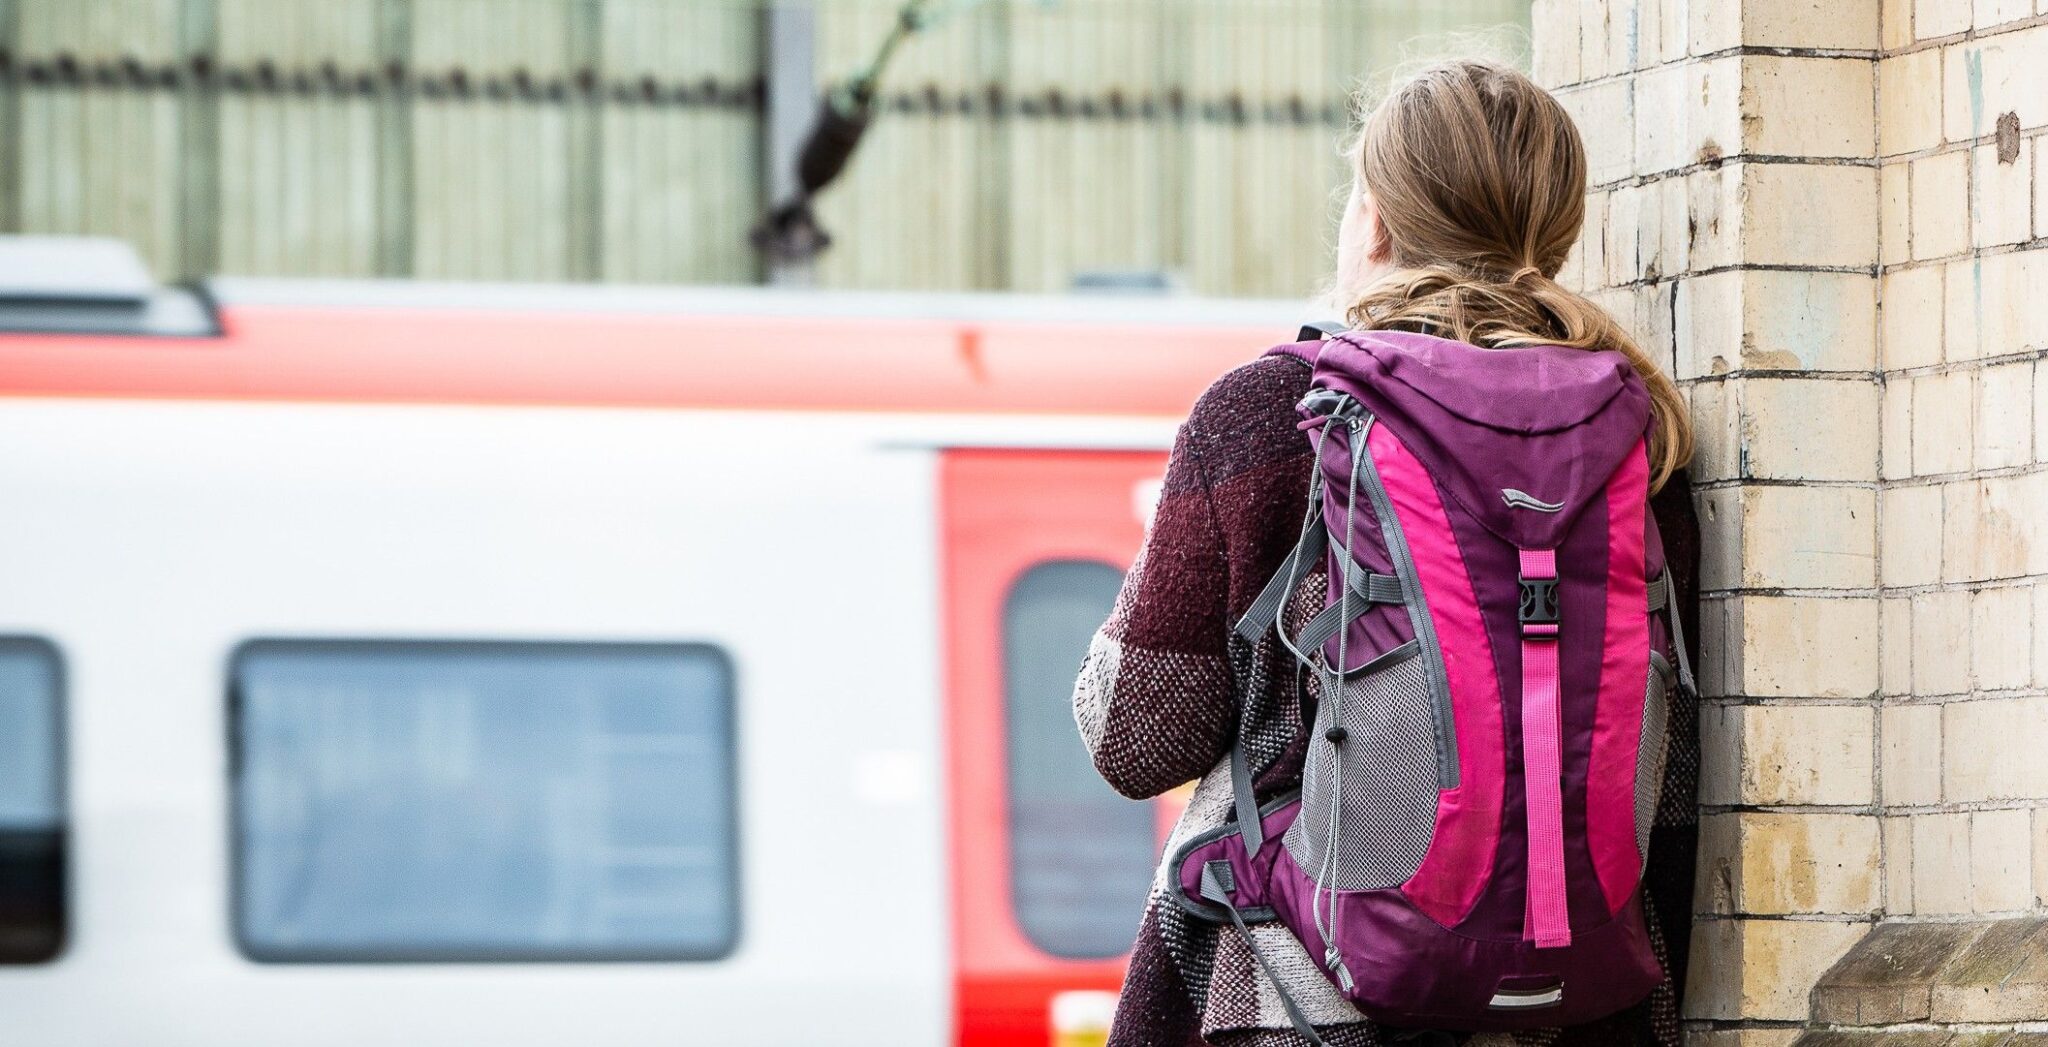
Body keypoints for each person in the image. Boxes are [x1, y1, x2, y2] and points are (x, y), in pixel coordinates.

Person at [1072, 58, 1700, 1047]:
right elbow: (1666, 779)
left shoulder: (1272, 412)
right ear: (1556, 234)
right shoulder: (1633, 435)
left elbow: (1135, 741)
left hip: (1296, 998)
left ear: (1371, 221)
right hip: (1577, 1007)